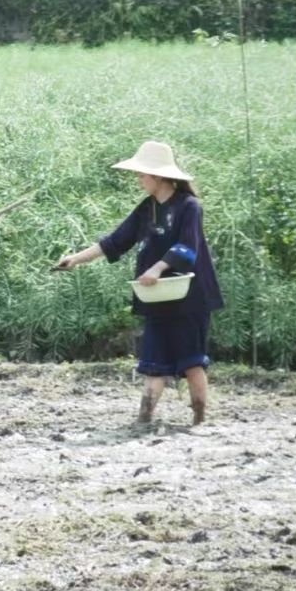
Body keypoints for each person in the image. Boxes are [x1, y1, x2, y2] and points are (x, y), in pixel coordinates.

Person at [55, 140, 224, 426]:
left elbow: (187, 248)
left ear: (159, 176)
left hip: (190, 296)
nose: (139, 180)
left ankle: (199, 419)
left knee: (192, 361)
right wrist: (76, 259)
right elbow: (115, 241)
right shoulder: (146, 209)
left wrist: (157, 269)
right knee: (154, 363)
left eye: (142, 174)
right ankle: (143, 420)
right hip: (157, 296)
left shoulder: (189, 207)